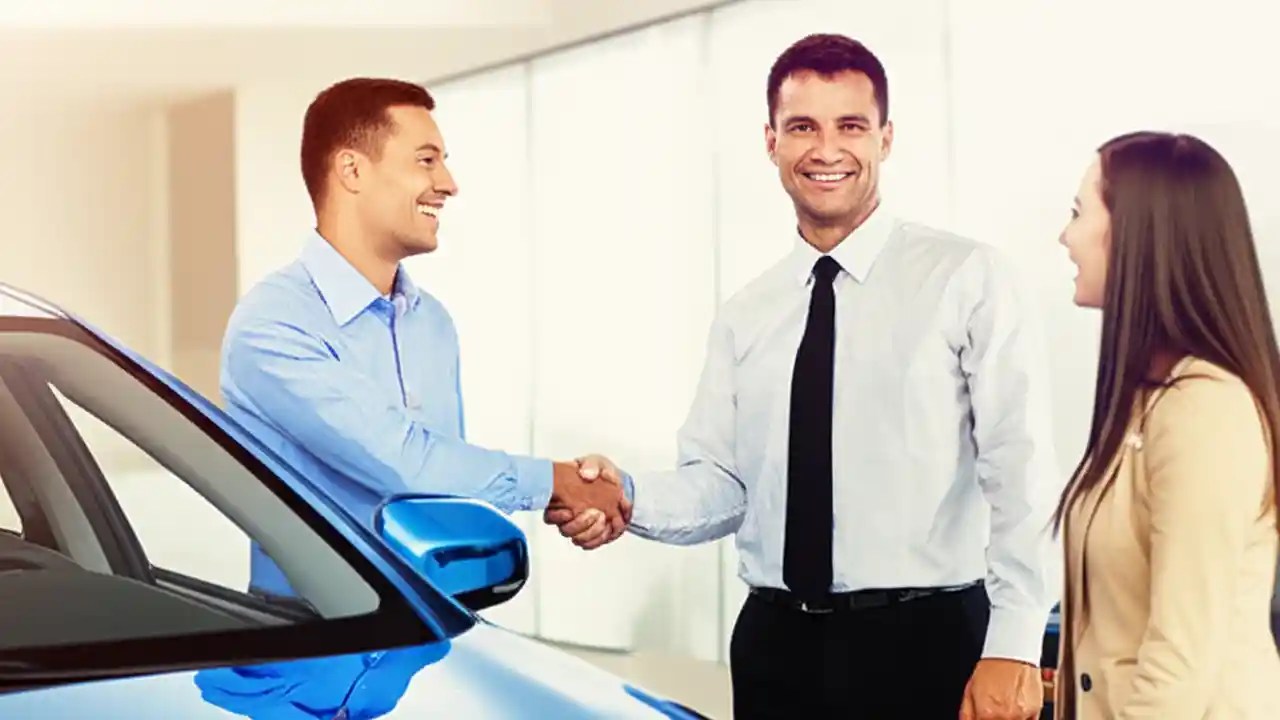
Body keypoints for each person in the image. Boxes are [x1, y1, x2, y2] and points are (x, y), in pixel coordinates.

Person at [547, 33, 1059, 719]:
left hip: (930, 642)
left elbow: (1021, 471)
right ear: (771, 142)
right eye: (802, 127)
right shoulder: (747, 313)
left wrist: (1016, 643)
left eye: (850, 126)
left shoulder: (967, 278)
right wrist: (626, 497)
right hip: (776, 647)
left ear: (886, 138)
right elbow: (722, 485)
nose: (826, 149)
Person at [219, 77, 627, 599]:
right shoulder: (273, 324)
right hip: (316, 633)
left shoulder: (431, 321)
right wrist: (555, 483)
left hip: (435, 620)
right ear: (352, 171)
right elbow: (405, 463)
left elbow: (444, 486)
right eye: (426, 160)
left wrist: (574, 498)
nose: (448, 184)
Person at [1052, 131, 1280, 718]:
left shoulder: (1204, 410)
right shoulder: (1147, 401)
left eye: (1078, 213)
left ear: (1138, 235)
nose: (1065, 237)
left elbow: (1180, 660)